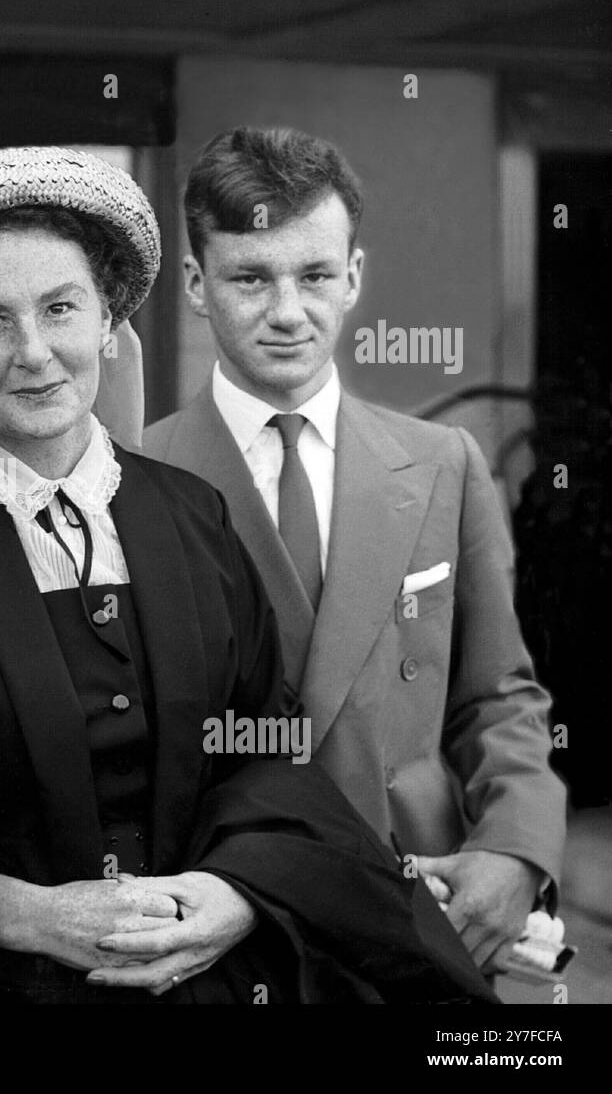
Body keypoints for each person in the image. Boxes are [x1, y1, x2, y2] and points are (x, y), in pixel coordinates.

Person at [0, 145, 495, 1004]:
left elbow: (264, 744)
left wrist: (240, 894)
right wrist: (21, 916)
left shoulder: (193, 515)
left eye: (61, 308)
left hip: (212, 982)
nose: (35, 352)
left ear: (107, 319)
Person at [141, 126, 566, 974]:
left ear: (355, 278)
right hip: (232, 923)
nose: (289, 311)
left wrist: (516, 851)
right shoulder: (134, 476)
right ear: (195, 284)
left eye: (316, 275)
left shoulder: (444, 464)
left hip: (422, 909)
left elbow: (498, 696)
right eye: (251, 278)